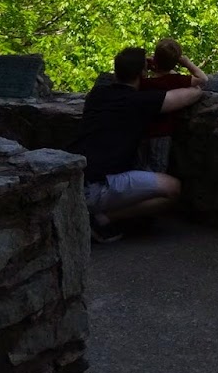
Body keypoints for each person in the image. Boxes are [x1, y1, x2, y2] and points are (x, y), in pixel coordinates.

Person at [68, 45, 205, 243]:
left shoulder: (98, 95)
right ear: (143, 71)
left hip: (76, 179)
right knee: (172, 189)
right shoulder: (141, 101)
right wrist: (172, 63)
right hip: (96, 187)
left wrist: (140, 67)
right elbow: (196, 91)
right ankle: (101, 220)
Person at [135, 38, 206, 173]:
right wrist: (187, 63)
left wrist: (151, 62)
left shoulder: (145, 83)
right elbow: (203, 79)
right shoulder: (175, 81)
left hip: (142, 133)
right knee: (157, 170)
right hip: (162, 134)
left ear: (155, 59)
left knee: (140, 168)